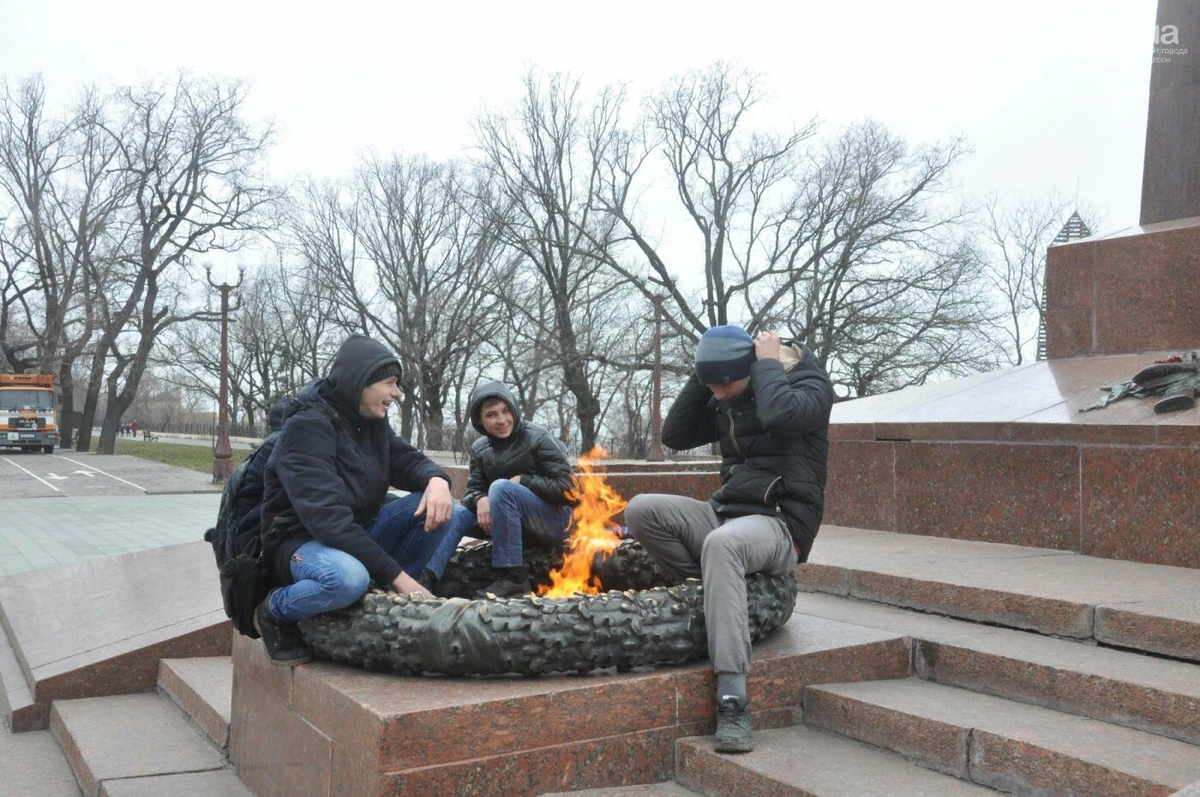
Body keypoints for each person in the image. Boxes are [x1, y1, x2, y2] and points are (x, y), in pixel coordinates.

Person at [625, 325, 832, 754]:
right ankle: (720, 594)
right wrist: (708, 368)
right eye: (711, 387)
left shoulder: (809, 385)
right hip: (726, 512)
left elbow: (780, 416)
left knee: (723, 546)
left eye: (724, 384)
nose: (717, 395)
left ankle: (733, 700)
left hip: (780, 524)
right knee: (641, 509)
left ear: (752, 368)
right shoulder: (725, 397)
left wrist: (767, 364)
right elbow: (675, 435)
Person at [254, 335, 472, 665]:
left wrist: (438, 481)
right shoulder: (307, 428)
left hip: (359, 533)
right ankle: (274, 609)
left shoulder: (373, 424)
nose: (397, 393)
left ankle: (385, 604)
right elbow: (329, 523)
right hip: (302, 544)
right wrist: (401, 578)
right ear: (361, 382)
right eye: (390, 383)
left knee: (450, 511)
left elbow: (407, 461)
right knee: (346, 579)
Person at [461, 381, 576, 598]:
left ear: (514, 409)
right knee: (456, 513)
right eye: (492, 415)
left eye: (506, 411)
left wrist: (525, 481)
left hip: (555, 522)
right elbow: (471, 490)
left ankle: (514, 577)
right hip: (507, 523)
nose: (502, 420)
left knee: (501, 488)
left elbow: (569, 488)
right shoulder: (479, 449)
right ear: (479, 421)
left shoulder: (538, 437)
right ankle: (426, 576)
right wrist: (479, 498)